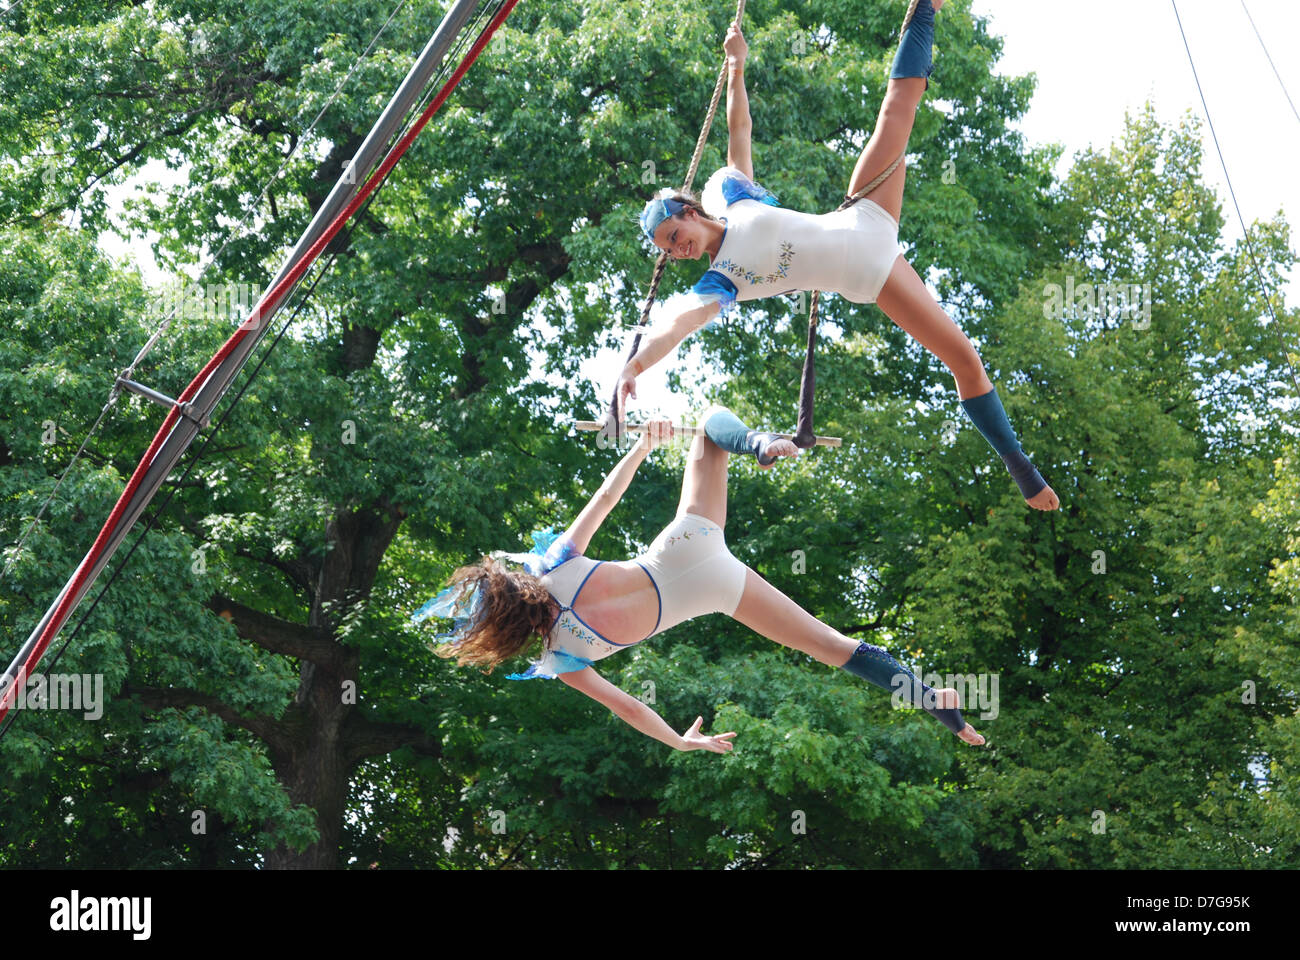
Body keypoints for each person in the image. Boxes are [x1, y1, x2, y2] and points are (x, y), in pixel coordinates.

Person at [620, 0, 1060, 511]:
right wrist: (636, 366)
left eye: (674, 237)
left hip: (863, 214)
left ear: (689, 211)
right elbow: (676, 325)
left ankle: (925, 9)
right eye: (669, 251)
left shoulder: (733, 196)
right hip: (871, 274)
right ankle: (1020, 467)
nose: (677, 252)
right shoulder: (721, 282)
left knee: (899, 108)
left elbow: (740, 134)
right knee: (964, 359)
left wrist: (738, 64)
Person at [415, 406, 986, 752]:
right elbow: (608, 498)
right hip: (684, 544)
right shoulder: (554, 564)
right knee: (710, 426)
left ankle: (932, 699)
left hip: (714, 588)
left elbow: (633, 710)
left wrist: (680, 740)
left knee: (829, 647)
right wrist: (642, 445)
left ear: (506, 637)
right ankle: (757, 442)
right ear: (511, 587)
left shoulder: (564, 660)